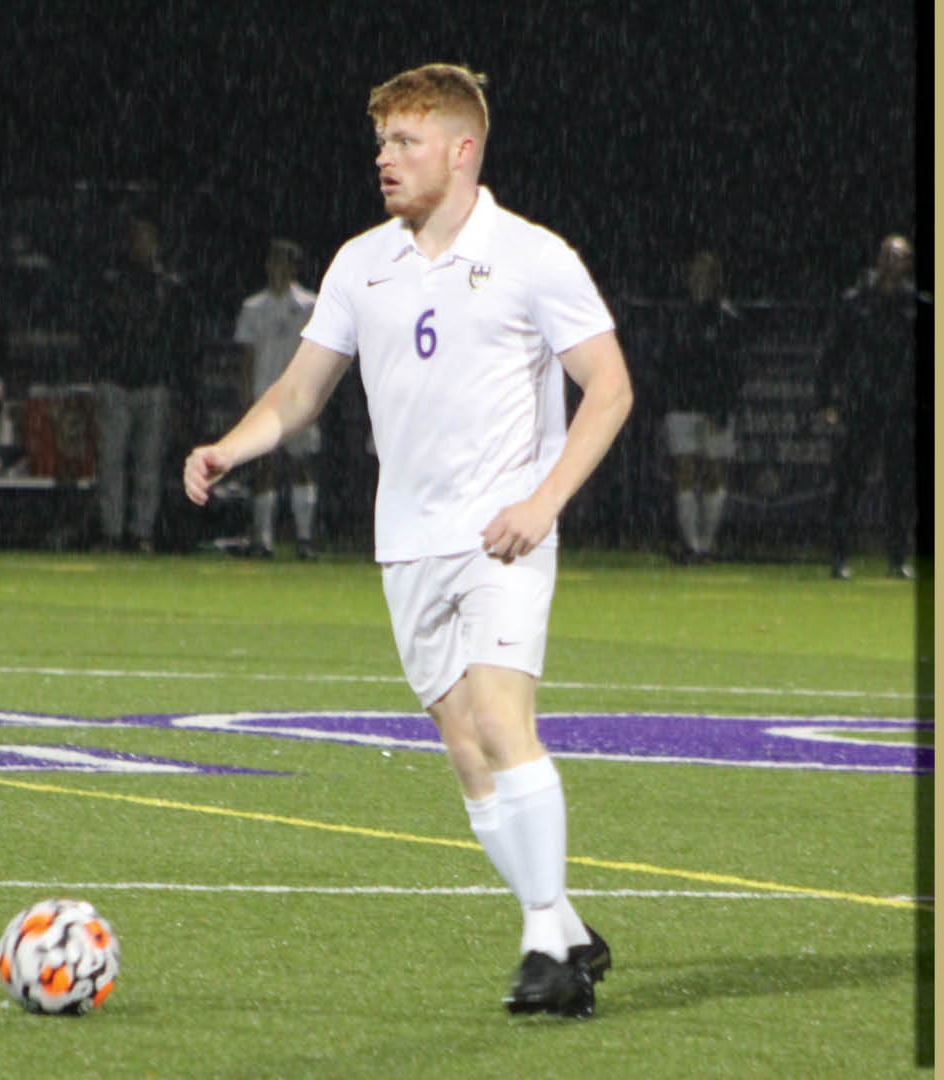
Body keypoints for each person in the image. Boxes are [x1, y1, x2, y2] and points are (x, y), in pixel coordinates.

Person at [185, 63, 631, 1018]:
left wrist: (544, 502)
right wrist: (231, 446)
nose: (385, 159)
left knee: (503, 723)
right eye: (381, 141)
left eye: (405, 141)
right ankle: (567, 929)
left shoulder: (532, 256)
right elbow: (301, 392)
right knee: (467, 750)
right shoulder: (362, 263)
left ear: (462, 151)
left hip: (504, 536)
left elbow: (611, 386)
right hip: (407, 541)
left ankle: (545, 951)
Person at [818, 234, 930, 579]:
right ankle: (840, 556)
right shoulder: (856, 303)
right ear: (879, 259)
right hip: (861, 403)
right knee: (849, 480)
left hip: (901, 406)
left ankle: (897, 558)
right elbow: (831, 354)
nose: (892, 262)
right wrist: (827, 400)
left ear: (908, 264)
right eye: (887, 255)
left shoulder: (916, 305)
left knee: (901, 485)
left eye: (900, 257)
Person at [87, 214, 192, 554]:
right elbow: (97, 333)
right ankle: (112, 532)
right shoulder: (110, 282)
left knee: (148, 465)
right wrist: (100, 374)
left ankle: (141, 532)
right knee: (111, 463)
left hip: (153, 383)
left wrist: (176, 387)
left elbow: (178, 342)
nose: (142, 246)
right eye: (137, 239)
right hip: (116, 382)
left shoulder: (169, 287)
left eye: (147, 239)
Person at [232, 237, 322, 558]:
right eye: (272, 262)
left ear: (294, 267)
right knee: (264, 467)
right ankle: (264, 539)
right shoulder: (253, 307)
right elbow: (246, 356)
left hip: (299, 397)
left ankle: (304, 538)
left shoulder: (310, 305)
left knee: (301, 464)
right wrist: (247, 395)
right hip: (265, 397)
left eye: (283, 262)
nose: (276, 268)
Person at [659, 250, 743, 562]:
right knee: (684, 471)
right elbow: (667, 362)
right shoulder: (678, 316)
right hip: (681, 405)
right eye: (694, 274)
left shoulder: (728, 318)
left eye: (705, 275)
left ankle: (707, 544)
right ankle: (692, 545)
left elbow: (735, 368)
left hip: (716, 407)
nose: (698, 281)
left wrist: (723, 404)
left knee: (713, 474)